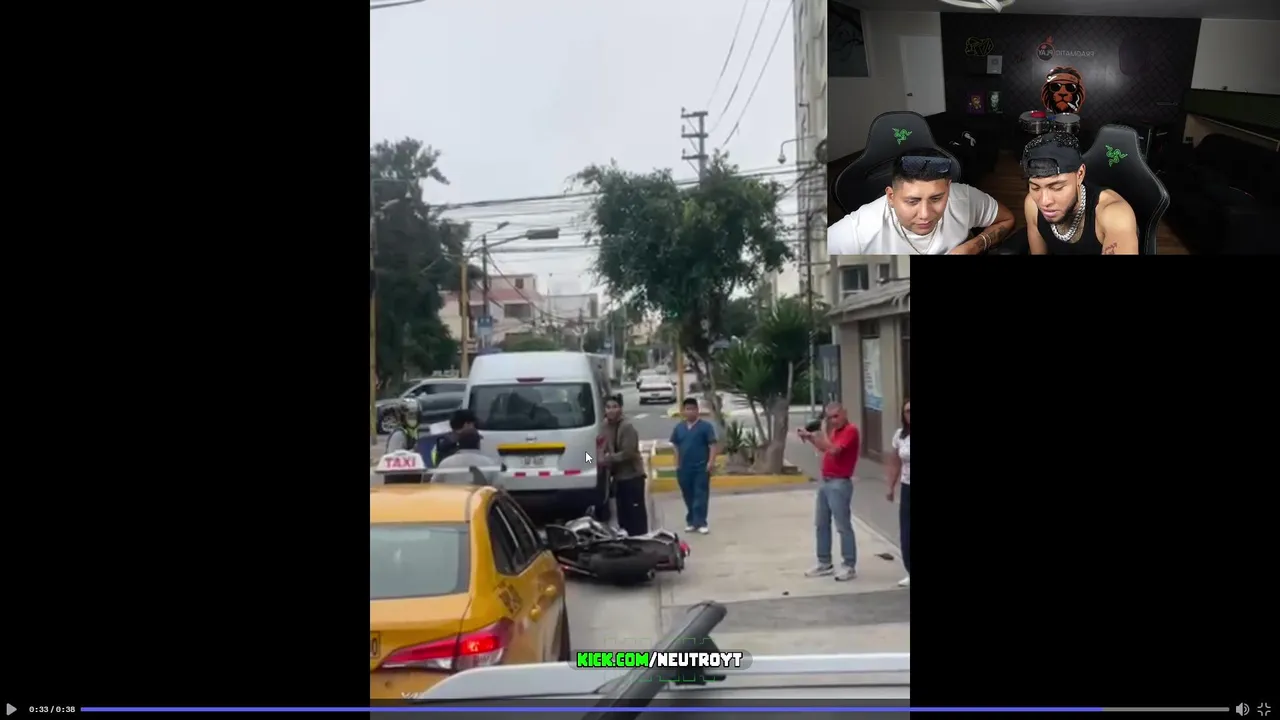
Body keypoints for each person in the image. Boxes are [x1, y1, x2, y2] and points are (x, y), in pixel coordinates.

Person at [828, 148, 1015, 255]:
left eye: (936, 198)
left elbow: (1007, 219)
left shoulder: (963, 197)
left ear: (948, 188)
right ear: (891, 197)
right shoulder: (860, 229)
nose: (925, 215)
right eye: (912, 201)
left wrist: (974, 246)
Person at [1022, 132, 1140, 255]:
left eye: (1057, 188)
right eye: (1035, 188)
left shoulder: (1114, 215)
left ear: (1080, 174)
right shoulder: (1032, 205)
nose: (1044, 201)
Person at [798, 402, 861, 581]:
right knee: (821, 523)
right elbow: (823, 448)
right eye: (830, 417)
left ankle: (849, 565)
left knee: (842, 526)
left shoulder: (850, 431)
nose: (833, 421)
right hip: (826, 481)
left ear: (844, 414)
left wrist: (822, 432)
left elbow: (833, 450)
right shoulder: (834, 432)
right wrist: (810, 437)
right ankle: (824, 562)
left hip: (840, 482)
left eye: (836, 416)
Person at [669, 397, 717, 534]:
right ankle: (691, 521)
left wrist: (711, 462)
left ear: (697, 410)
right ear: (683, 411)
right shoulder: (679, 428)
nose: (690, 412)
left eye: (692, 409)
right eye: (687, 409)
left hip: (701, 467)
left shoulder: (706, 427)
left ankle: (701, 522)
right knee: (688, 494)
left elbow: (712, 445)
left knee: (700, 494)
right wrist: (676, 462)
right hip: (684, 467)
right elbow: (675, 445)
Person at [602, 395, 647, 536]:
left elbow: (628, 453)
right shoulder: (603, 426)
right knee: (623, 517)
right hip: (617, 478)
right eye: (608, 407)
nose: (611, 411)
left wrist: (607, 459)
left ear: (621, 408)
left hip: (632, 477)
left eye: (614, 407)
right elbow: (593, 451)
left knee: (636, 518)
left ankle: (641, 541)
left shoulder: (627, 427)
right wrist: (591, 461)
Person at [885, 399, 911, 588]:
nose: (910, 414)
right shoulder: (900, 436)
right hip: (907, 486)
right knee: (906, 531)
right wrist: (891, 487)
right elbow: (895, 462)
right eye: (907, 411)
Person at [431, 429, 502, 485]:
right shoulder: (490, 463)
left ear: (459, 444)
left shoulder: (446, 463)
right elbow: (498, 487)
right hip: (479, 499)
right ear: (478, 443)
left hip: (451, 499)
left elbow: (434, 484)